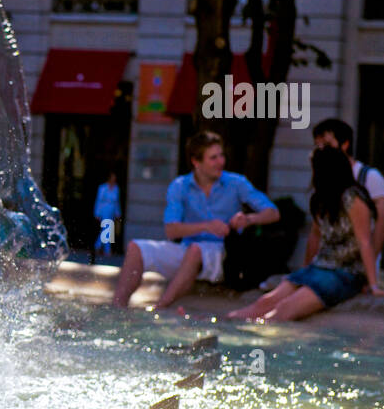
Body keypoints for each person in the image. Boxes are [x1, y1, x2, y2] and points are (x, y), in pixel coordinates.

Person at [113, 131, 279, 309]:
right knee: (135, 247)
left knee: (195, 250)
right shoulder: (179, 186)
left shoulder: (236, 183)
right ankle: (117, 308)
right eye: (213, 158)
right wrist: (207, 226)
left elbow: (273, 213)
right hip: (188, 249)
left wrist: (248, 218)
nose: (221, 162)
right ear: (196, 161)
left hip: (225, 254)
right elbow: (171, 230)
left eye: (221, 155)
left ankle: (159, 308)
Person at [227, 146, 384, 321]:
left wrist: (373, 284)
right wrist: (305, 270)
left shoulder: (353, 198)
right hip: (320, 267)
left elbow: (364, 242)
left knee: (283, 310)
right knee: (265, 302)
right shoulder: (321, 198)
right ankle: (222, 325)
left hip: (345, 273)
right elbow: (315, 237)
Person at [311, 118, 384, 260]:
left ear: (345, 144)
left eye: (327, 145)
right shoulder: (323, 178)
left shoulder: (370, 177)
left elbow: (380, 227)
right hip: (327, 263)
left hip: (356, 264)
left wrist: (369, 268)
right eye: (318, 146)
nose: (322, 150)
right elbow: (316, 230)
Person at [92, 172, 121, 258]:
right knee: (107, 228)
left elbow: (116, 202)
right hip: (104, 209)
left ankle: (98, 246)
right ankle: (106, 250)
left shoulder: (116, 188)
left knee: (107, 228)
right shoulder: (103, 187)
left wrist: (118, 212)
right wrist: (97, 213)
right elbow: (99, 201)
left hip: (111, 210)